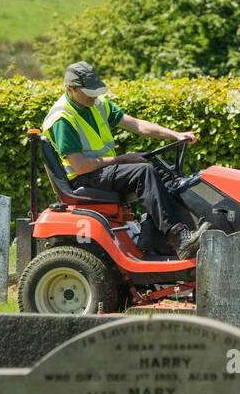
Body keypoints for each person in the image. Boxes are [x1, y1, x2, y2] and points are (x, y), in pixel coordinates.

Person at [42, 61, 211, 259]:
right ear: (69, 89)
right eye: (88, 92)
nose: (93, 95)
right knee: (143, 172)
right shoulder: (63, 118)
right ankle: (179, 238)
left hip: (99, 171)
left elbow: (137, 124)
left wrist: (175, 135)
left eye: (94, 90)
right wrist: (121, 160)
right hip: (83, 177)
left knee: (161, 170)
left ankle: (156, 236)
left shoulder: (97, 104)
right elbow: (79, 166)